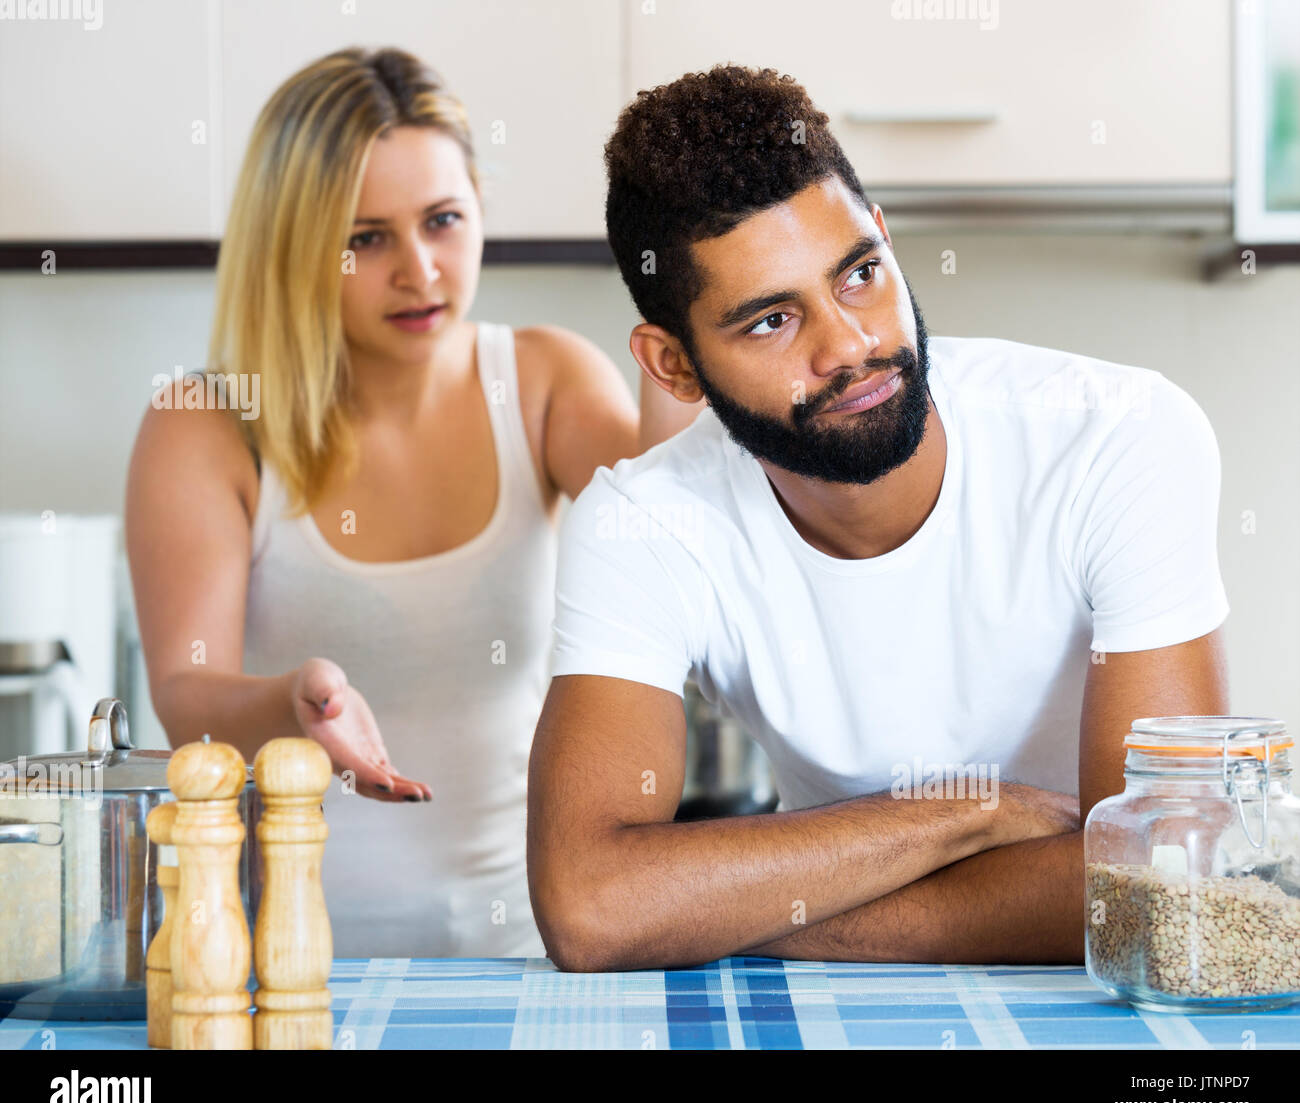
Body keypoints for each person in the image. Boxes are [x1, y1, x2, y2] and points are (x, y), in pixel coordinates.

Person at [528, 65, 1231, 971]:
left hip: (1110, 1007)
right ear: (674, 366)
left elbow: (1161, 886)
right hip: (835, 1010)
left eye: (860, 274)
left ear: (888, 243)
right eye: (771, 321)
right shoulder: (642, 523)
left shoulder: (1119, 437)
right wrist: (968, 810)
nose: (851, 345)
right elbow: (591, 909)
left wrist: (717, 910)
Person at [126, 47, 696, 958]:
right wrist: (295, 703)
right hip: (280, 958)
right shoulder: (207, 423)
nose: (422, 270)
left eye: (442, 220)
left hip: (528, 952)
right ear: (294, 245)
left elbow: (681, 545)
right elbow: (185, 697)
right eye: (366, 238)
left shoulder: (542, 381)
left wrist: (686, 326)